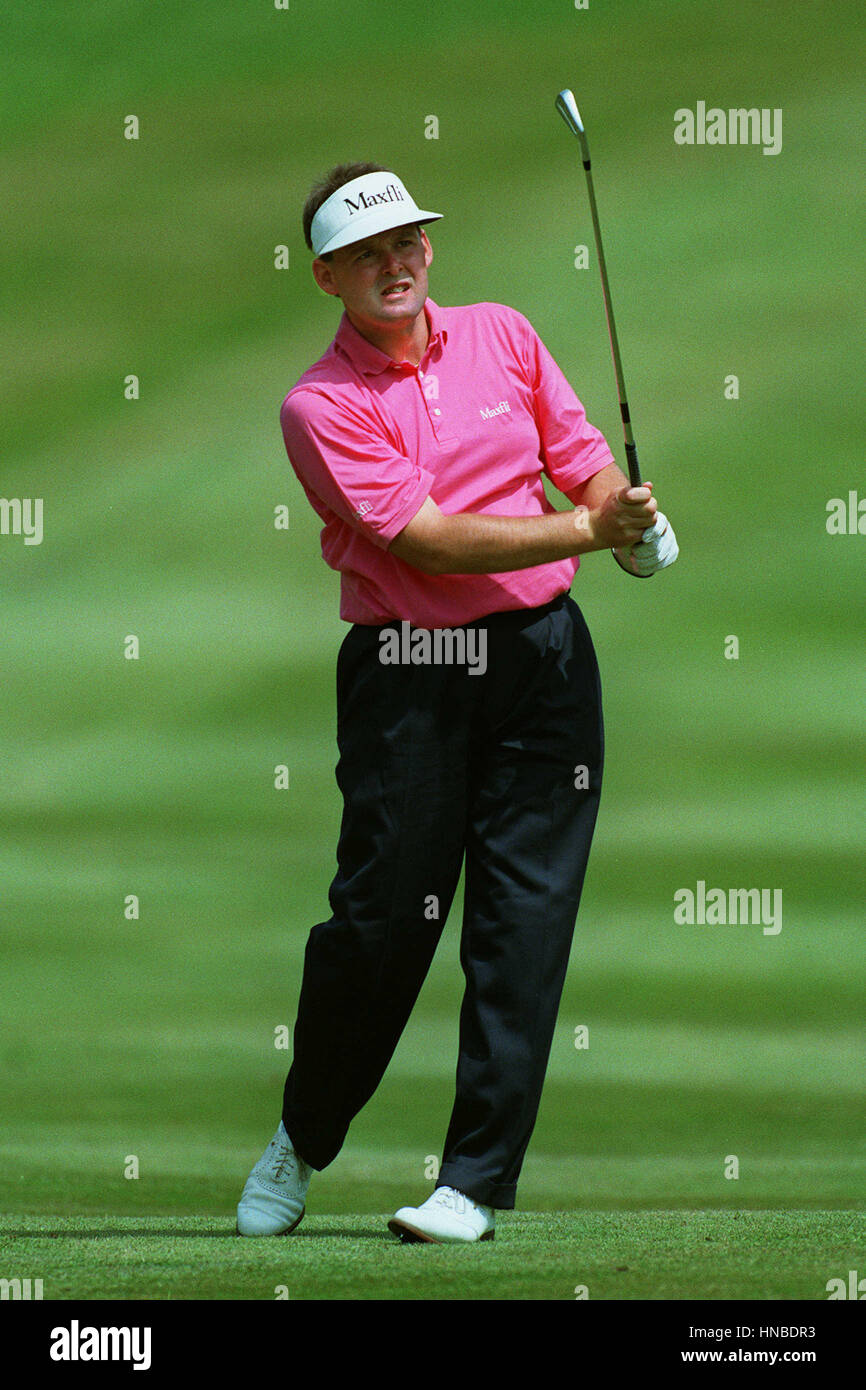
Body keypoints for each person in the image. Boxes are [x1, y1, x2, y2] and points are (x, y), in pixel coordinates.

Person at [236, 161, 678, 1244]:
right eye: (367, 253)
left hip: (542, 661)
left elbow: (577, 463)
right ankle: (304, 1133)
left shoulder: (504, 335)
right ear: (328, 274)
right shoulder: (319, 405)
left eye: (408, 244)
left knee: (523, 918)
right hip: (410, 673)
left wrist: (622, 513)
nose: (395, 264)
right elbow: (422, 538)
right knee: (382, 921)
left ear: (427, 249)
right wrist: (589, 534)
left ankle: (469, 1182)